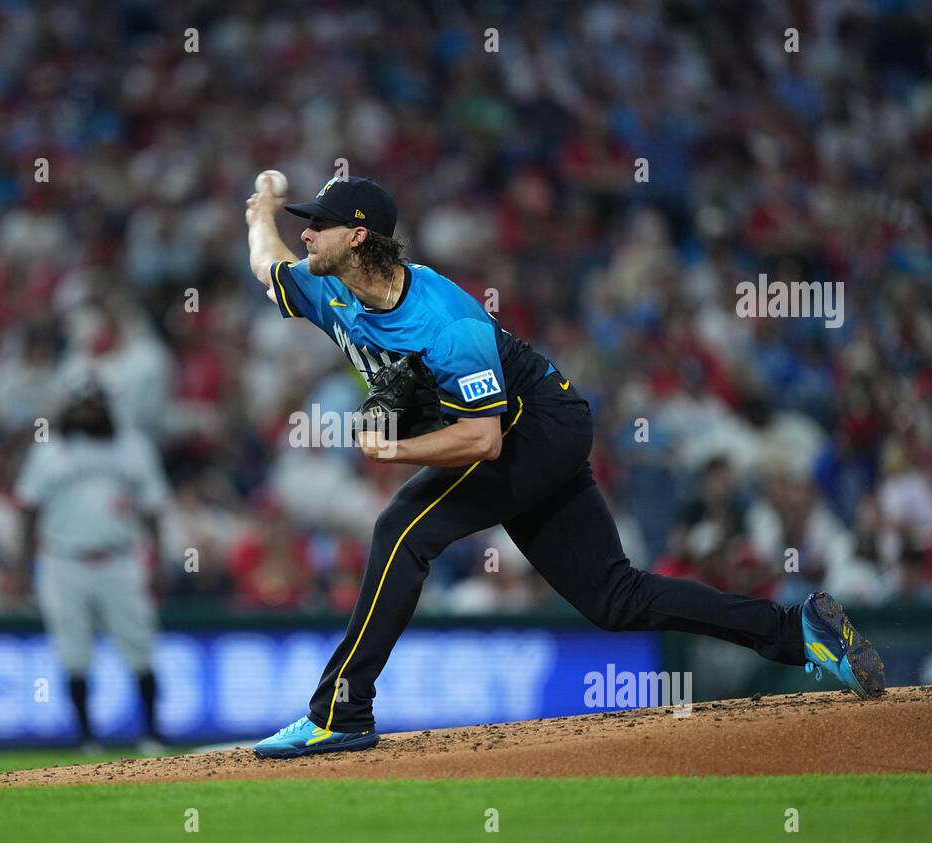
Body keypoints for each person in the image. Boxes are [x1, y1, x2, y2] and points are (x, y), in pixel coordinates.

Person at [244, 173, 885, 759]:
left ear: (357, 237)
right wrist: (261, 209)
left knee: (402, 530)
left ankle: (341, 712)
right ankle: (800, 631)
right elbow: (266, 262)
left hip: (535, 425)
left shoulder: (443, 320)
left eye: (318, 224)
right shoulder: (327, 287)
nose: (305, 234)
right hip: (526, 432)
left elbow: (483, 440)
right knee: (614, 598)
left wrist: (396, 450)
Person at [14, 378, 170, 755]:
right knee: (73, 651)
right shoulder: (49, 451)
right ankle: (86, 738)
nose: (89, 410)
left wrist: (159, 564)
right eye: (83, 403)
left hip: (119, 559)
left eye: (96, 403)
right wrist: (22, 568)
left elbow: (153, 511)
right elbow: (27, 511)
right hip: (63, 562)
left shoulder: (132, 448)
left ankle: (151, 734)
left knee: (140, 645)